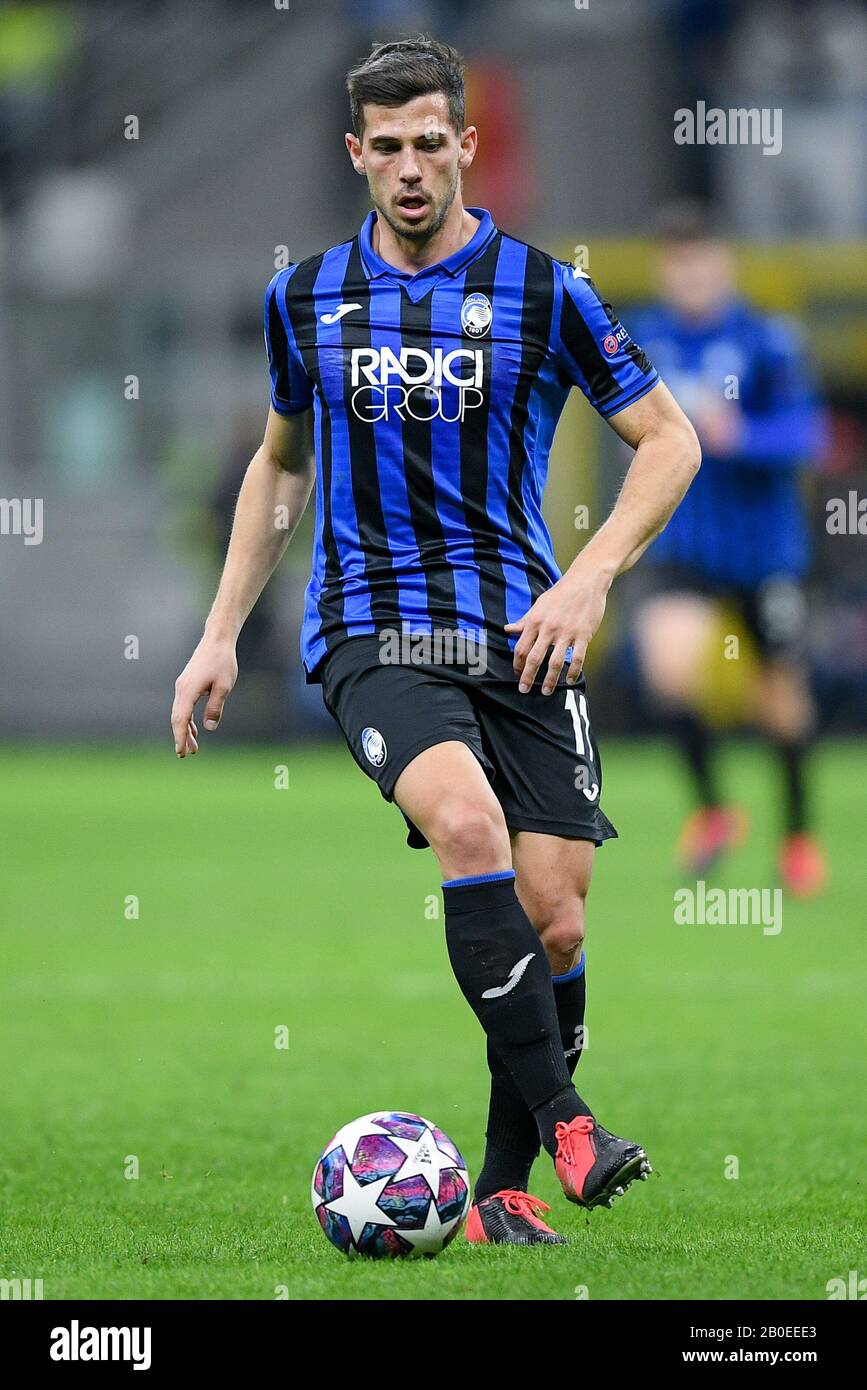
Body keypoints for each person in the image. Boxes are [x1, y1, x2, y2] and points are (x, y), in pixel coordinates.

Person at [171, 37, 700, 1246]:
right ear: (355, 154)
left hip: (523, 631)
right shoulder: (306, 298)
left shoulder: (546, 292)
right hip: (375, 632)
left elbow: (670, 439)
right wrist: (219, 632)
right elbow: (281, 465)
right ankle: (572, 1122)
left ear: (466, 143)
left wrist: (589, 580)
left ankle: (504, 1190)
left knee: (557, 918)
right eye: (386, 148)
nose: (410, 168)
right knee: (467, 827)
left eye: (429, 143)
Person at [631, 201, 826, 897]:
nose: (689, 275)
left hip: (763, 553)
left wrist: (741, 435)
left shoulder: (767, 340)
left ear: (724, 263)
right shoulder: (646, 340)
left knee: (781, 705)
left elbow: (808, 435)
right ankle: (714, 812)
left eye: (700, 261)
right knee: (666, 670)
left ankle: (797, 837)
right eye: (676, 263)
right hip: (683, 545)